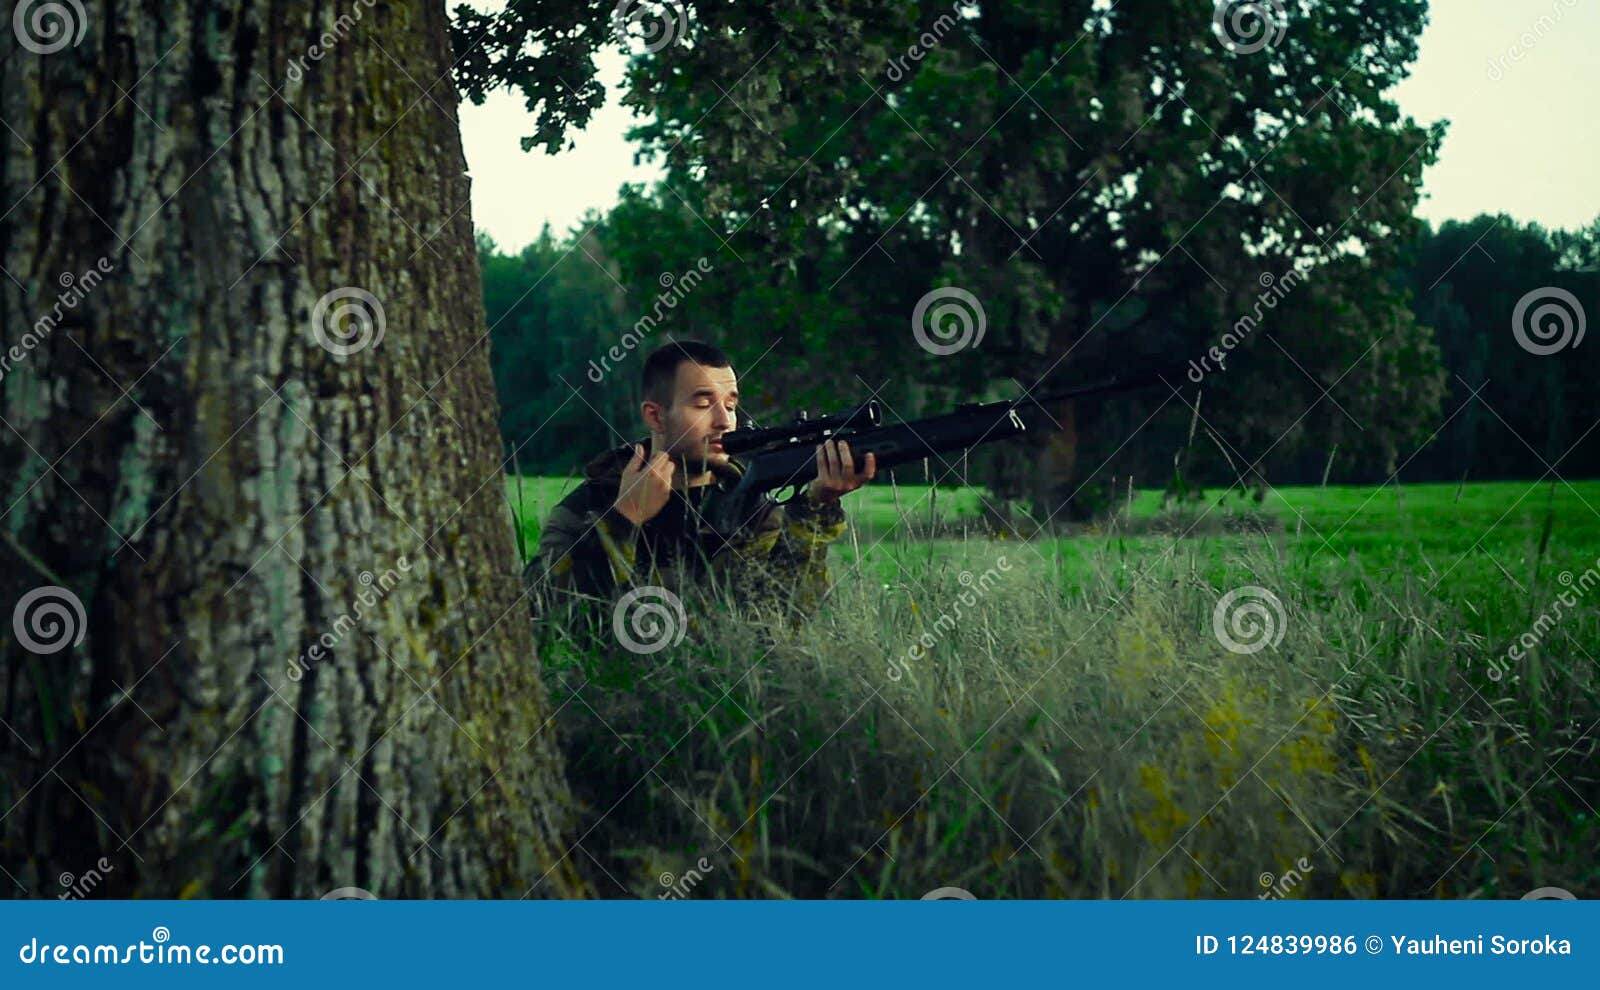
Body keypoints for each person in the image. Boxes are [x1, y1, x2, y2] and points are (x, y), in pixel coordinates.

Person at [524, 340, 876, 633]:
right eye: (704, 404)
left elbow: (786, 620)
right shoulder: (589, 505)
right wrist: (624, 518)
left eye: (731, 405)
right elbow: (544, 611)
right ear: (655, 416)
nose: (724, 421)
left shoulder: (752, 508)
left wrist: (816, 508)